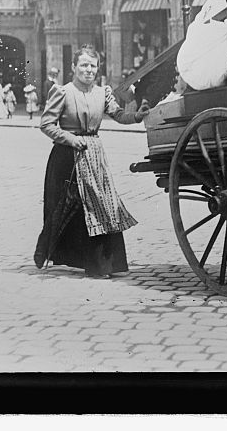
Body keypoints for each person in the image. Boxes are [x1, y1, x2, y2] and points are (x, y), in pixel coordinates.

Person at [33, 46, 151, 279]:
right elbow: (46, 124)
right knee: (70, 208)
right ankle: (59, 253)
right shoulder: (62, 92)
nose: (89, 70)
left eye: (93, 66)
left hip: (94, 155)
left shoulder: (102, 93)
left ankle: (106, 264)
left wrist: (137, 116)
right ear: (74, 68)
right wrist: (70, 139)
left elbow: (118, 115)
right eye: (84, 65)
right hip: (67, 156)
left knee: (102, 205)